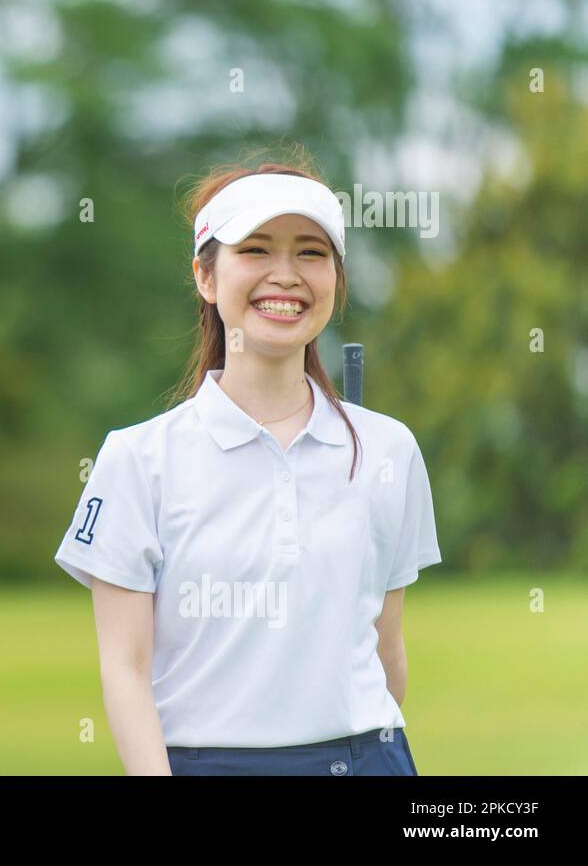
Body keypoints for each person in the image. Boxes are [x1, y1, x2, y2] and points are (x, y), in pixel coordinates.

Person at [54, 157, 442, 775]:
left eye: (311, 253)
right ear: (206, 276)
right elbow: (124, 671)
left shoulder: (389, 450)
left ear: (337, 281)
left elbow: (386, 653)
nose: (285, 276)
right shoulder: (137, 458)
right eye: (256, 250)